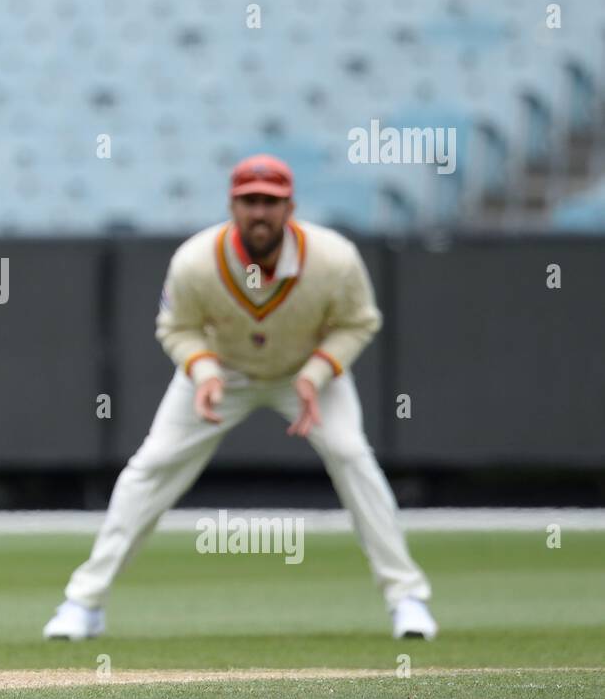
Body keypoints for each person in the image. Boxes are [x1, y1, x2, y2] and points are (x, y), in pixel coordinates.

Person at [44, 155, 437, 641]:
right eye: (250, 201)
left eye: (270, 202)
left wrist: (316, 374)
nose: (260, 213)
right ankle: (84, 603)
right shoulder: (196, 261)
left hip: (306, 375)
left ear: (290, 206)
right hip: (222, 373)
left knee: (354, 458)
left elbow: (359, 322)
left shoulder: (333, 259)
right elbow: (177, 326)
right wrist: (204, 372)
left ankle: (407, 599)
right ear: (232, 204)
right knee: (151, 467)